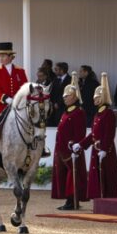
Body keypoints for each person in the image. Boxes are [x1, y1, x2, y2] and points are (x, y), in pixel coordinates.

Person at [74, 73, 117, 199]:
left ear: (103, 98)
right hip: (96, 150)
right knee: (96, 175)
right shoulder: (97, 114)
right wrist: (81, 145)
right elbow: (93, 135)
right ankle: (98, 199)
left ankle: (109, 200)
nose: (94, 99)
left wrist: (104, 148)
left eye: (97, 97)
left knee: (107, 175)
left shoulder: (108, 113)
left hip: (105, 151)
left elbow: (109, 134)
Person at [51, 72, 88, 210]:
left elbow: (80, 133)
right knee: (63, 176)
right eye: (64, 96)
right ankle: (68, 200)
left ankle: (73, 201)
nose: (65, 98)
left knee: (72, 177)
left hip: (71, 150)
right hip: (61, 150)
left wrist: (77, 147)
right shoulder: (66, 112)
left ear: (74, 97)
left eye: (68, 96)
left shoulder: (79, 112)